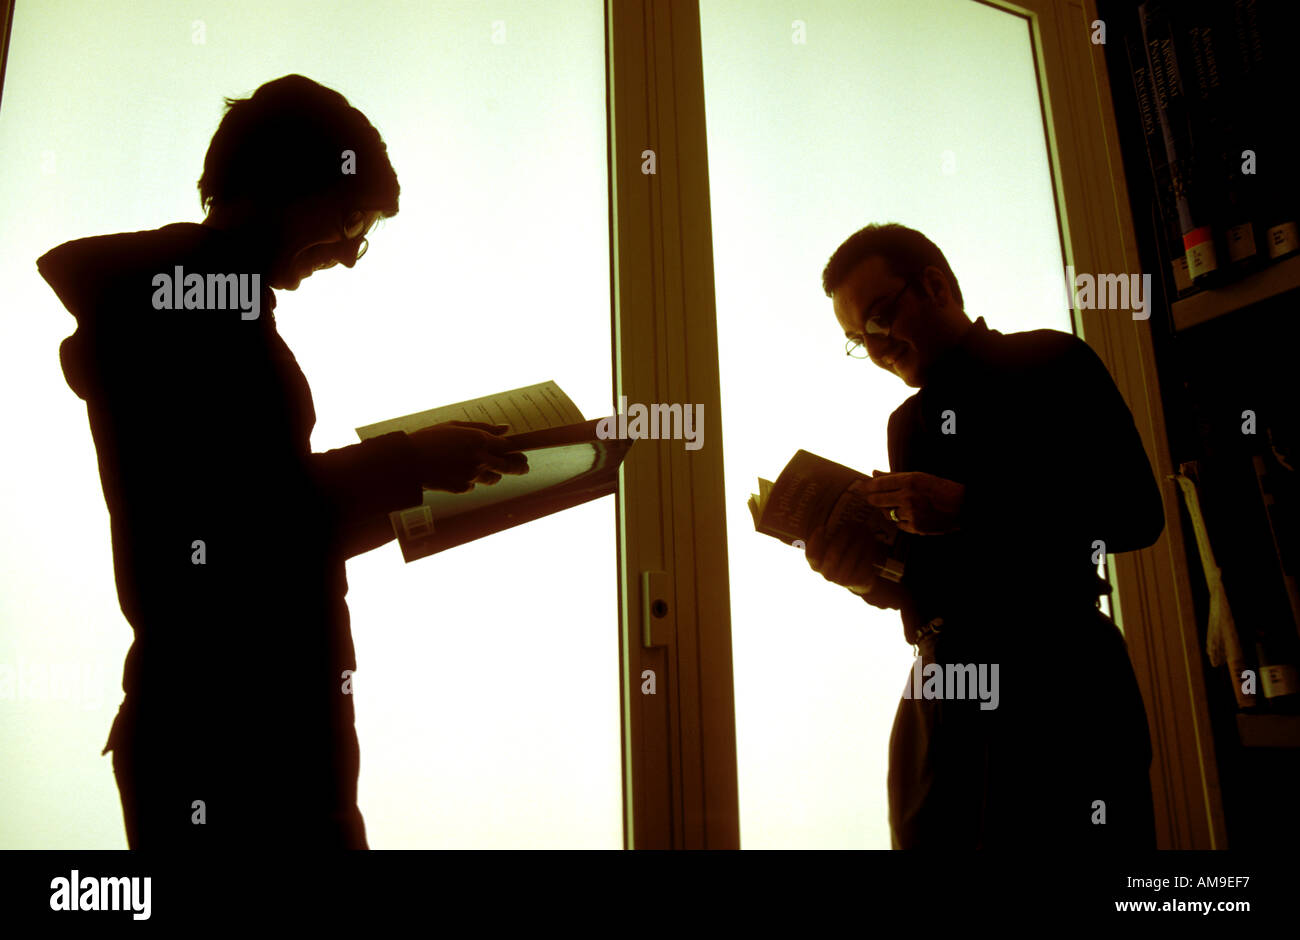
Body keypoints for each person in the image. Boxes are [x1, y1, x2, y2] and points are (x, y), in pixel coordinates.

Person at [37, 74, 528, 849]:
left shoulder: (180, 304)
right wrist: (409, 464)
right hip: (240, 741)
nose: (350, 253)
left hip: (229, 729)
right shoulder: (194, 315)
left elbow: (255, 525)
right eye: (349, 221)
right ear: (290, 189)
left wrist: (414, 480)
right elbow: (245, 527)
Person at [805, 223, 1164, 849]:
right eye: (859, 341)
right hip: (941, 692)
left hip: (1057, 680)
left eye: (881, 319)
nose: (879, 347)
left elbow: (1136, 512)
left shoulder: (1052, 362)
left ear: (935, 285)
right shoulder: (905, 424)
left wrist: (971, 507)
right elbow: (931, 579)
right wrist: (868, 575)